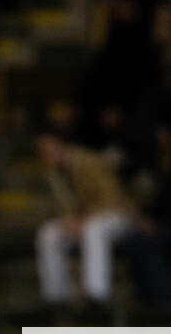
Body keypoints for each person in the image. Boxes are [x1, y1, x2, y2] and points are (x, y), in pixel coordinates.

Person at [34, 130, 137, 308]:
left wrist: (83, 220)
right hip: (86, 219)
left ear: (61, 145)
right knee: (48, 233)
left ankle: (97, 295)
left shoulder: (87, 161)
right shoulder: (52, 173)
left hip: (118, 215)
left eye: (48, 149)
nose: (46, 154)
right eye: (42, 151)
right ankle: (56, 297)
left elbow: (111, 198)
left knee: (94, 229)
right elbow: (62, 207)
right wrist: (69, 220)